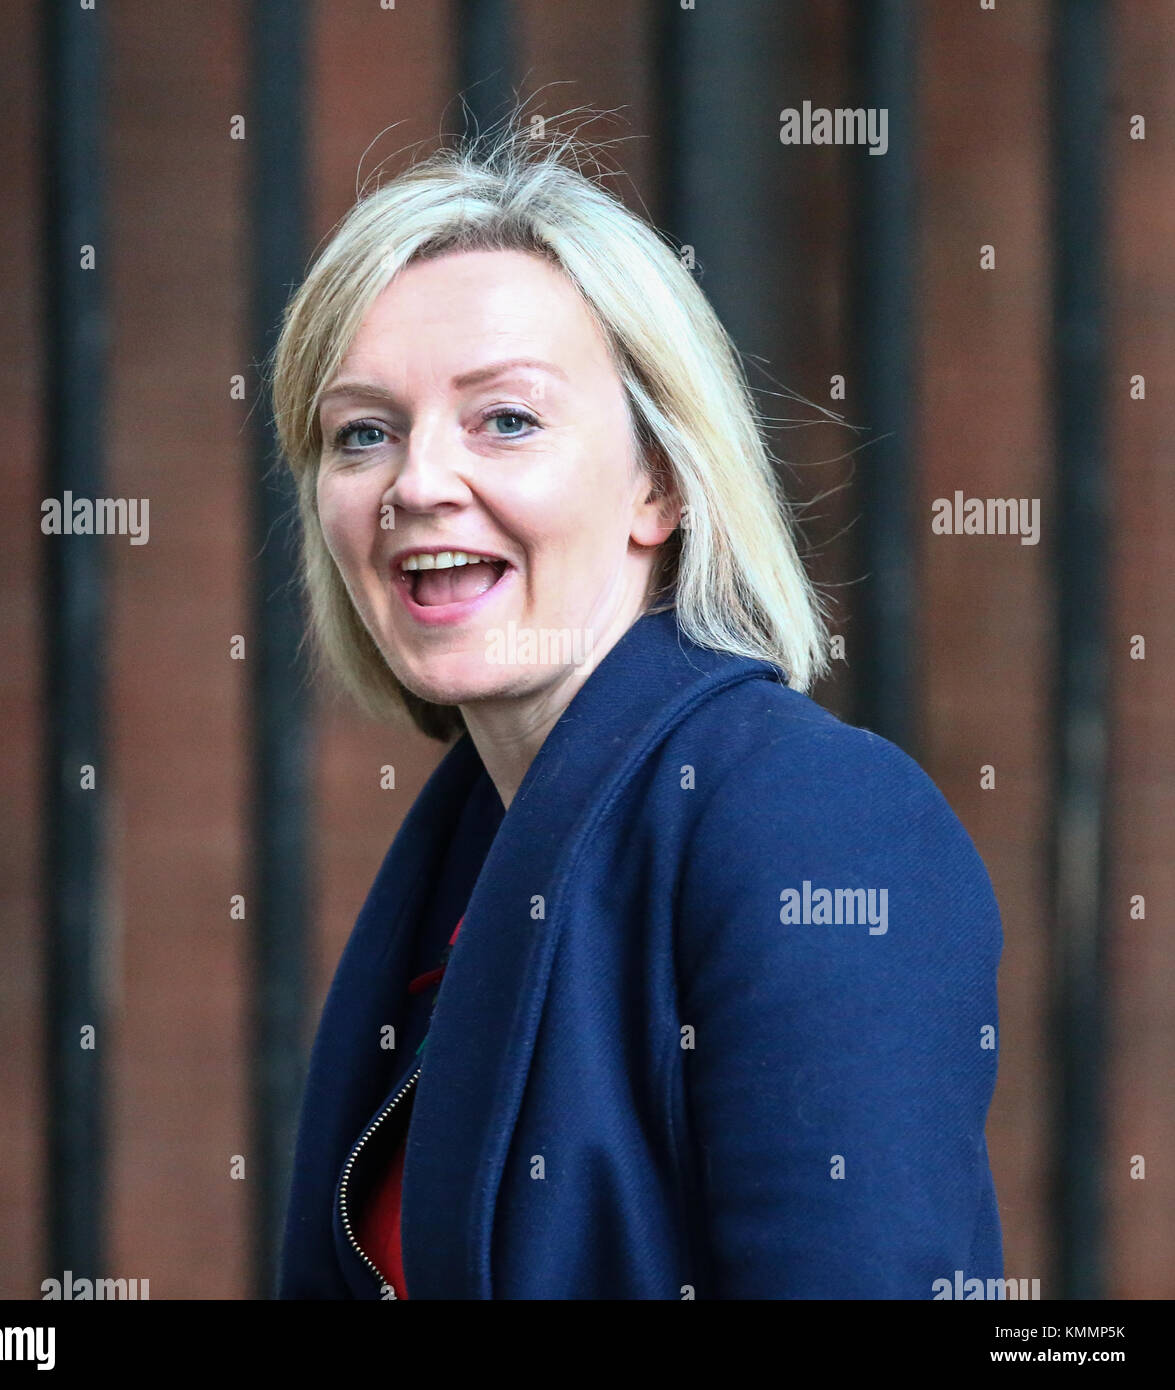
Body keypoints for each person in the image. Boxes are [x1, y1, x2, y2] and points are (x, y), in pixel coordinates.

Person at [272, 121, 1003, 1299]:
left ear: (657, 482)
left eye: (504, 418)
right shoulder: (466, 857)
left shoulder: (807, 818)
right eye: (364, 432)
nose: (415, 481)